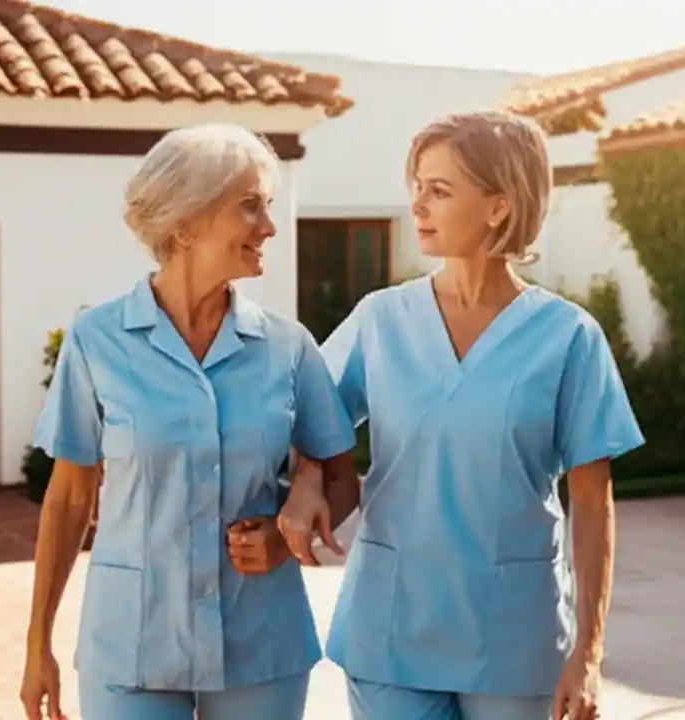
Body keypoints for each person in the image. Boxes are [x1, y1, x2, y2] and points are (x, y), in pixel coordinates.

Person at [278, 110, 645, 720]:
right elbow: (310, 419)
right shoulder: (381, 319)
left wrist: (588, 651)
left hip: (514, 635)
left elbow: (592, 502)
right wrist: (309, 480)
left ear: (499, 206)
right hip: (391, 624)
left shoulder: (568, 338)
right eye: (417, 186)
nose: (418, 205)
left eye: (440, 190)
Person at [20, 123, 357, 720]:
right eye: (250, 206)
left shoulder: (287, 346)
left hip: (261, 638)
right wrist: (37, 643)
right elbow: (69, 499)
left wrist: (286, 538)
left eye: (267, 205)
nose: (269, 227)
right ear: (184, 222)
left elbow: (339, 477)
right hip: (131, 639)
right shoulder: (97, 341)